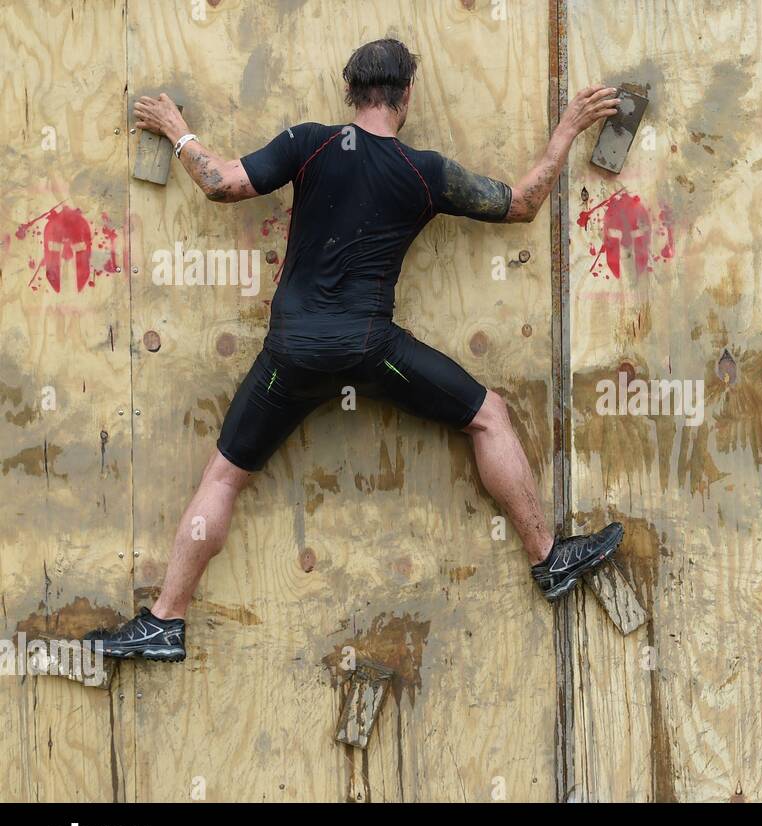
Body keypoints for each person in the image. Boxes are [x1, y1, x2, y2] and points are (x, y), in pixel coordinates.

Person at [87, 39, 624, 661]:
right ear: (407, 97)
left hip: (290, 356)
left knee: (224, 477)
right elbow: (524, 203)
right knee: (488, 415)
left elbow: (221, 183)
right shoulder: (426, 171)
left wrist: (179, 131)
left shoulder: (309, 141)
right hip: (373, 352)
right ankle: (549, 560)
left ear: (350, 92)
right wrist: (564, 133)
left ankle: (165, 620)